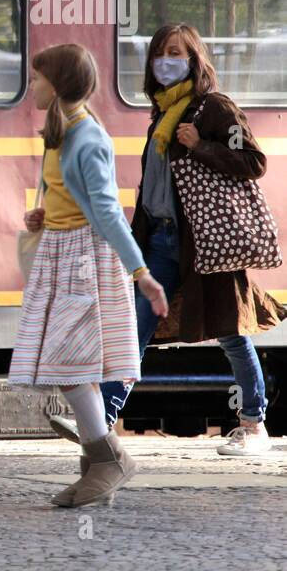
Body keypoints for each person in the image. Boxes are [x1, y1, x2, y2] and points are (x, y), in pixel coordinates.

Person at [49, 23, 285, 455]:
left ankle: (253, 424)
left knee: (231, 333)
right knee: (133, 328)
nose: (164, 60)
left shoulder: (214, 108)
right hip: (160, 241)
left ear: (194, 59)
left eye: (175, 52)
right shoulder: (161, 114)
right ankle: (99, 419)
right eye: (159, 52)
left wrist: (200, 146)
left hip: (205, 244)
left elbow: (253, 162)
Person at [13, 44, 168, 507]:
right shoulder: (61, 133)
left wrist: (140, 272)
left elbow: (107, 211)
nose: (32, 86)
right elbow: (70, 197)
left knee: (68, 360)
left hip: (84, 259)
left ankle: (105, 458)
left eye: (38, 79)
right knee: (67, 363)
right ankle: (100, 459)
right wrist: (43, 215)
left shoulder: (87, 137)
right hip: (60, 254)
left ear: (57, 85)